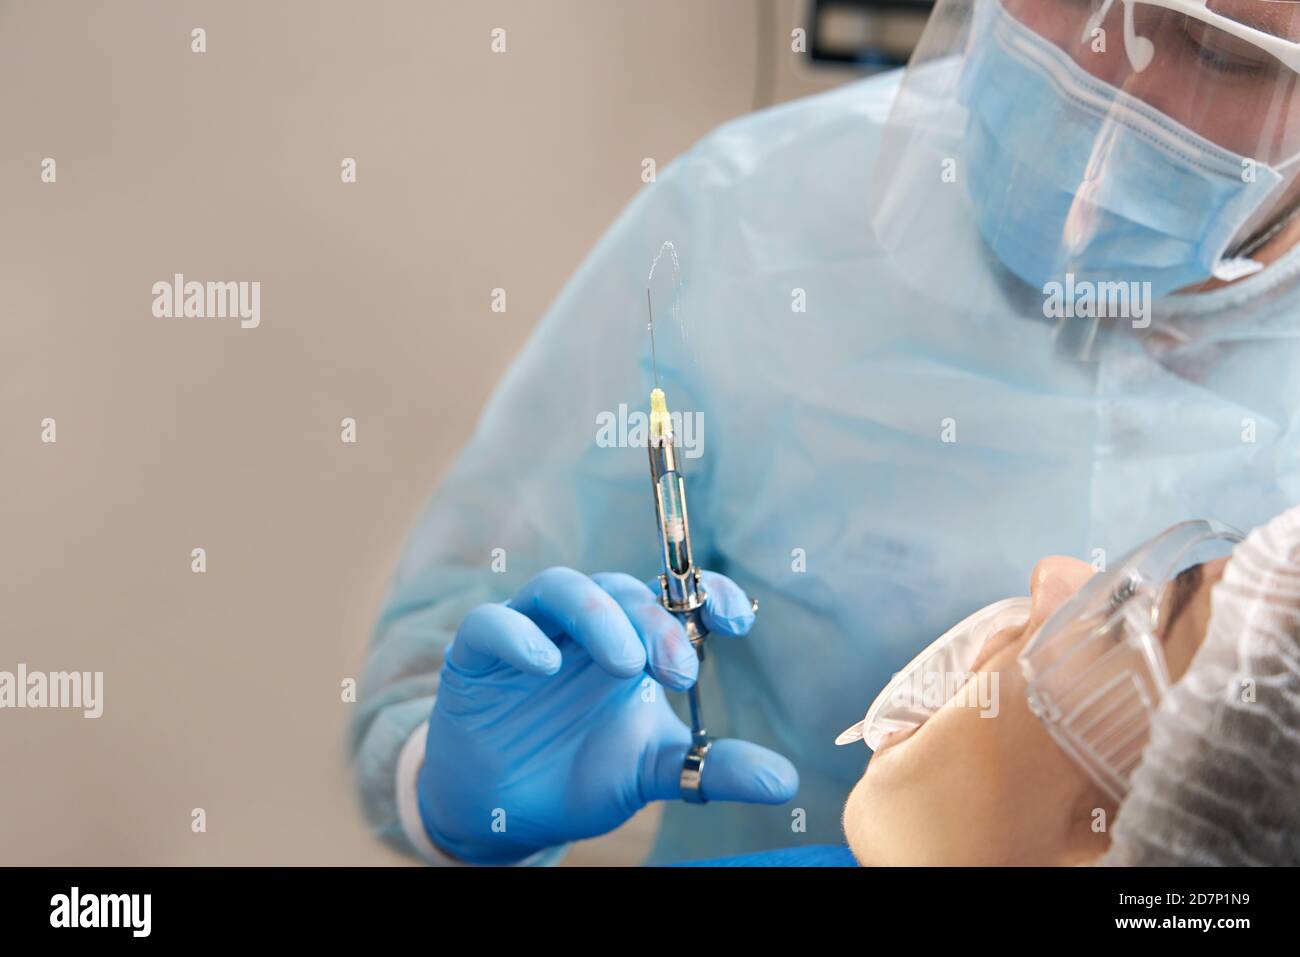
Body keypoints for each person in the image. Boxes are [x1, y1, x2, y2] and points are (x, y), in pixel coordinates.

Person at [352, 0, 1300, 864]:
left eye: (1217, 50)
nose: (1099, 59)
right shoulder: (750, 220)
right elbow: (441, 656)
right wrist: (460, 792)